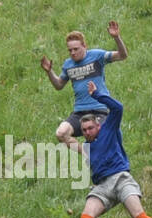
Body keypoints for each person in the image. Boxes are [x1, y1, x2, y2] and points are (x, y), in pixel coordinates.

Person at [72, 81, 152, 218]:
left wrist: (97, 95)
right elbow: (67, 141)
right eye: (84, 130)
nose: (87, 132)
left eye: (90, 128)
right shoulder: (87, 147)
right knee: (87, 216)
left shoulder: (108, 130)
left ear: (98, 126)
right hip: (102, 186)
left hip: (121, 179)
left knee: (139, 216)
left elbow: (118, 108)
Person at [40, 21, 127, 152]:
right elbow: (59, 85)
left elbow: (122, 55)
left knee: (103, 140)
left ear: (84, 46)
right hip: (79, 112)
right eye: (70, 50)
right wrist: (49, 72)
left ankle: (106, 162)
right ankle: (88, 156)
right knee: (61, 133)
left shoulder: (97, 56)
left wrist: (116, 37)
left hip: (99, 110)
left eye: (76, 49)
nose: (73, 53)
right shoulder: (68, 64)